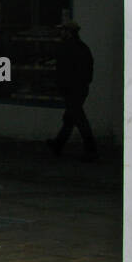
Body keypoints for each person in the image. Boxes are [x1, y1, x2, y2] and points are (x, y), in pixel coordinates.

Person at [48, 19, 98, 162]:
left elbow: (62, 70)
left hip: (71, 88)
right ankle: (58, 144)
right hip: (80, 88)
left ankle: (91, 149)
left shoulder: (66, 48)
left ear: (69, 33)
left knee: (78, 119)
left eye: (63, 31)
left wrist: (60, 85)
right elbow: (89, 69)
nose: (61, 33)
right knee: (71, 118)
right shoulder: (83, 47)